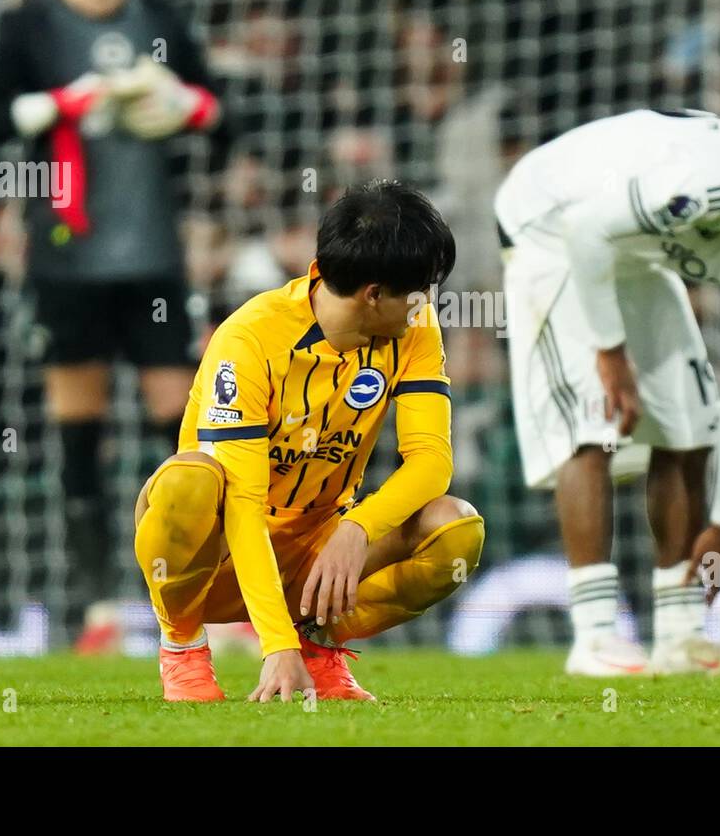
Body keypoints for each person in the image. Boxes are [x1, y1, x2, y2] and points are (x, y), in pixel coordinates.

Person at [0, 0, 222, 641]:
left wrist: (190, 108)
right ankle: (98, 607)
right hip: (66, 260)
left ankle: (202, 601)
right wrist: (51, 105)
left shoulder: (158, 20)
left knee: (186, 431)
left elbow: (223, 111)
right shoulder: (30, 27)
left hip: (155, 260)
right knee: (81, 432)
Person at [495, 108, 720, 676]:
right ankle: (593, 636)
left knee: (690, 423)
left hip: (632, 246)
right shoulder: (704, 186)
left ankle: (681, 634)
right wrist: (609, 354)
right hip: (553, 221)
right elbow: (587, 230)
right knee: (594, 418)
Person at [133, 180, 485, 702]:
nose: (426, 303)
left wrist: (358, 528)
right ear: (373, 294)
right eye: (420, 290)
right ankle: (182, 644)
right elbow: (244, 503)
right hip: (221, 558)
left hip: (319, 552)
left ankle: (319, 644)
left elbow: (431, 460)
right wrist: (274, 645)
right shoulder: (250, 338)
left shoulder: (416, 329)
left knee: (454, 530)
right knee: (191, 480)